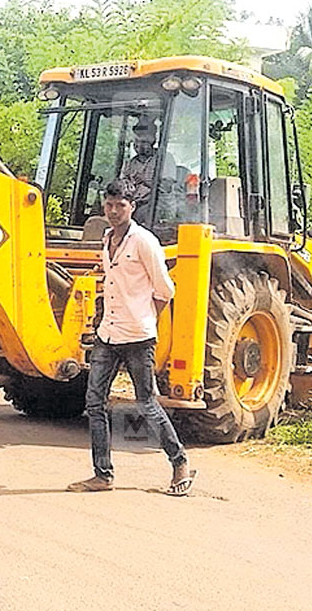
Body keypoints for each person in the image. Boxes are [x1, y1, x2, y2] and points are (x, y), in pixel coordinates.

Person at [68, 181, 196, 496]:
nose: (113, 211)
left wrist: (148, 317)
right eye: (109, 205)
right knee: (94, 403)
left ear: (132, 207)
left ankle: (179, 461)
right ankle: (102, 475)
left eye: (119, 206)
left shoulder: (143, 241)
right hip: (107, 334)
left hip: (138, 336)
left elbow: (165, 289)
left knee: (147, 404)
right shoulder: (107, 239)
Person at [118, 119, 160, 221]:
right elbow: (121, 183)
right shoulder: (130, 163)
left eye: (143, 142)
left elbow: (166, 188)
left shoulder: (162, 159)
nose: (138, 146)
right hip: (131, 202)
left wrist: (145, 181)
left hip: (154, 205)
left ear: (152, 141)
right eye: (136, 141)